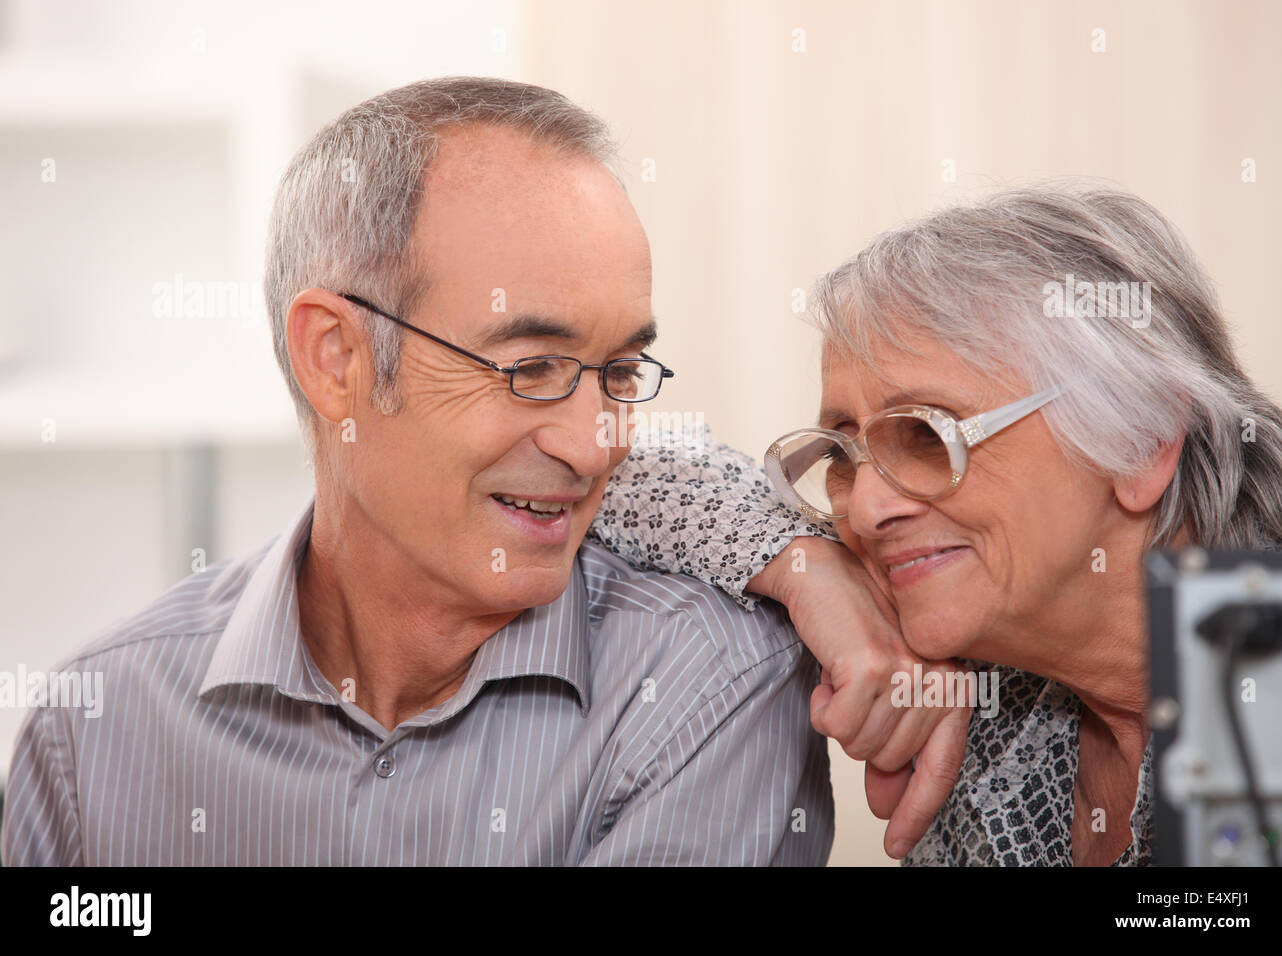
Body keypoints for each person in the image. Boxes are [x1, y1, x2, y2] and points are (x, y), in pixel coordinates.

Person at [2, 77, 856, 866]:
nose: (598, 446)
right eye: (531, 369)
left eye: (621, 374)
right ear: (336, 359)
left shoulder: (707, 684)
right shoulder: (98, 724)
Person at [755, 181, 1282, 864]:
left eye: (928, 435)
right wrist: (811, 571)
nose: (863, 511)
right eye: (841, 453)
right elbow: (623, 482)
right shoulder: (989, 702)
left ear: (1144, 441)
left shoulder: (1276, 684)